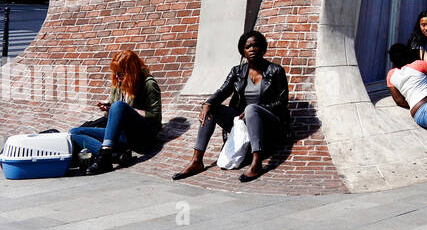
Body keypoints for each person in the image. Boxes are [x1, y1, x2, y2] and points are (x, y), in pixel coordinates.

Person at [173, 31, 291, 182]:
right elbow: (222, 91)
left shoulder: (275, 71)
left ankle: (257, 162)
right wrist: (207, 104)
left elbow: (282, 102)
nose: (252, 49)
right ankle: (197, 160)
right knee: (212, 108)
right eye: (248, 46)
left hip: (268, 123)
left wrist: (254, 109)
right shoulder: (237, 72)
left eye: (256, 45)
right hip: (243, 121)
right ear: (243, 51)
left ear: (263, 48)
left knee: (251, 109)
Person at [71, 49, 162, 175]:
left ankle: (105, 157)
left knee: (118, 105)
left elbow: (155, 117)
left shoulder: (148, 84)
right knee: (74, 132)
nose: (117, 77)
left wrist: (128, 111)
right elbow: (113, 118)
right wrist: (110, 110)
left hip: (143, 136)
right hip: (122, 135)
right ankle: (113, 156)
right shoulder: (117, 83)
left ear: (131, 72)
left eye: (121, 74)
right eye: (115, 73)